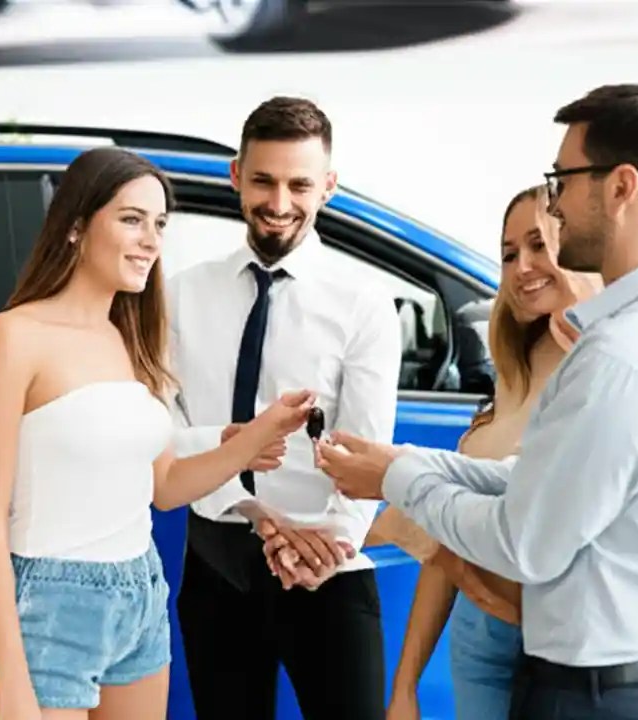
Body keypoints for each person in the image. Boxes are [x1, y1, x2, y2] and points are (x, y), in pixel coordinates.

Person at [317, 84, 638, 719]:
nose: (557, 202)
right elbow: (541, 483)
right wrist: (408, 464)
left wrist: (396, 477)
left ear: (620, 187)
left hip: (602, 700)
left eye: (563, 180)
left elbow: (525, 542)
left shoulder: (621, 360)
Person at [0, 146, 316, 720]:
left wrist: (256, 437)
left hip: (140, 592)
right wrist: (11, 678)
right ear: (76, 227)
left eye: (159, 224)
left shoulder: (131, 339)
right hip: (51, 605)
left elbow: (167, 486)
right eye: (131, 219)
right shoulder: (13, 338)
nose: (151, 240)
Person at [166, 96, 402, 720]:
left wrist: (326, 546)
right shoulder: (180, 296)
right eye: (264, 180)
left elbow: (367, 450)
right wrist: (249, 508)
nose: (279, 203)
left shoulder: (365, 304)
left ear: (328, 186)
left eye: (299, 184)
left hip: (328, 565)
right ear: (236, 175)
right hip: (216, 560)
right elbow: (165, 432)